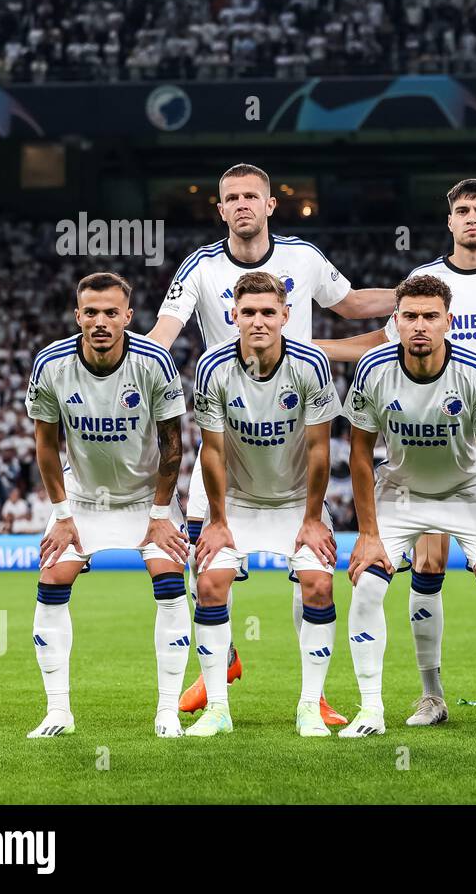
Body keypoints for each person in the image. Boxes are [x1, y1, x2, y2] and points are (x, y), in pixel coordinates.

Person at [321, 177, 476, 728]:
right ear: (450, 220)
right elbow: (372, 344)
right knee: (427, 565)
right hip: (420, 450)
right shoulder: (424, 288)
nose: (472, 219)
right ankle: (431, 696)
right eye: (463, 210)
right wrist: (303, 348)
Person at [149, 162, 393, 725]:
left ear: (269, 205)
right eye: (230, 197)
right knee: (205, 571)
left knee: (307, 575)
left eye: (250, 196)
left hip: (290, 428)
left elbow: (352, 303)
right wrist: (128, 358)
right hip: (226, 425)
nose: (241, 205)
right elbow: (166, 329)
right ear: (220, 209)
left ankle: (314, 694)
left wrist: (406, 297)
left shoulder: (303, 259)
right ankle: (220, 670)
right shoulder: (201, 268)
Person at [342, 274, 476, 738]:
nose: (419, 325)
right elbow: (359, 452)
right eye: (410, 316)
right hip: (401, 496)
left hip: (465, 493)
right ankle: (372, 710)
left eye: (430, 316)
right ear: (395, 321)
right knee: (367, 588)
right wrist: (368, 534)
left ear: (448, 321)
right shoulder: (372, 370)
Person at [25, 272, 189, 738]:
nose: (101, 321)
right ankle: (58, 711)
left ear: (127, 317)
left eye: (111, 313)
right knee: (53, 576)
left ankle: (167, 711)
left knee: (170, 580)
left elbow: (172, 445)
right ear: (78, 316)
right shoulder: (52, 363)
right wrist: (61, 516)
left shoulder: (154, 361)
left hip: (146, 499)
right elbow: (45, 445)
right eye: (91, 312)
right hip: (82, 498)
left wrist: (160, 517)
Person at [186, 271, 342, 737]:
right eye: (248, 312)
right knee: (211, 584)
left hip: (295, 501)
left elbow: (320, 449)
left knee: (318, 585)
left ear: (285, 316)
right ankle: (218, 708)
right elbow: (211, 450)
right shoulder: (212, 367)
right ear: (233, 315)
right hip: (236, 500)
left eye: (268, 312)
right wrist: (216, 520)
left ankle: (310, 706)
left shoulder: (311, 364)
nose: (258, 321)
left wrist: (314, 519)